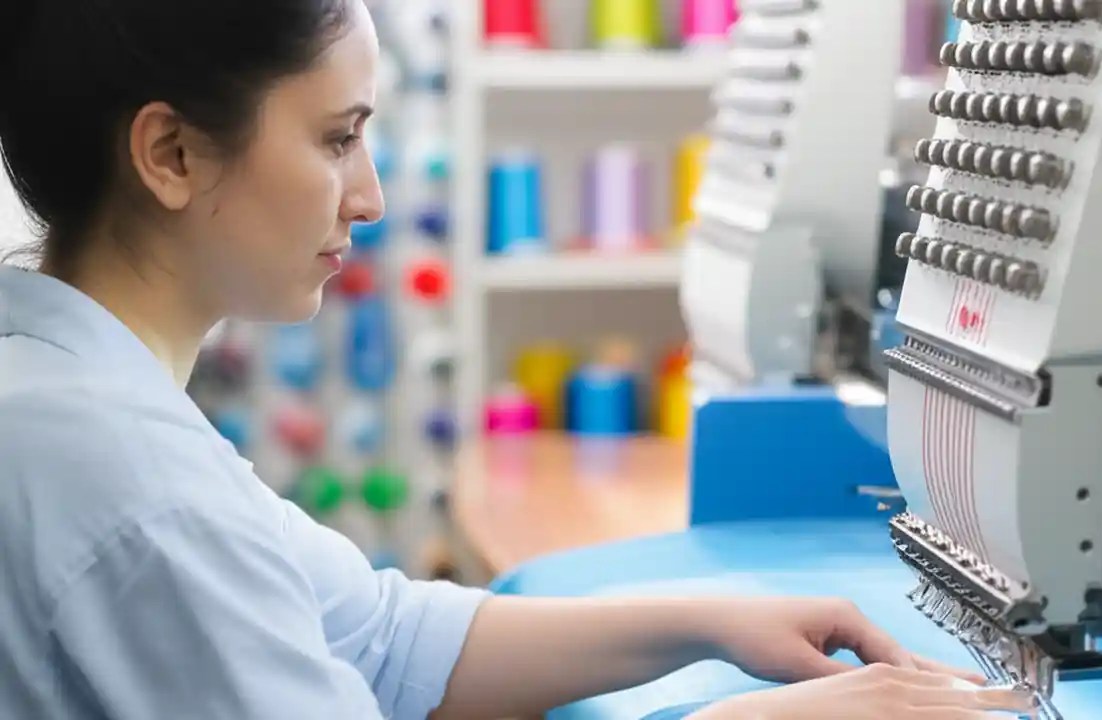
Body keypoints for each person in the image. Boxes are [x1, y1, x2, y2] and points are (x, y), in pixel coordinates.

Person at [0, 2, 1034, 718]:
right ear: (170, 155)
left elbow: (379, 639)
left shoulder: (80, 404)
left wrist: (713, 622)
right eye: (334, 139)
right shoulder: (131, 488)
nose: (369, 198)